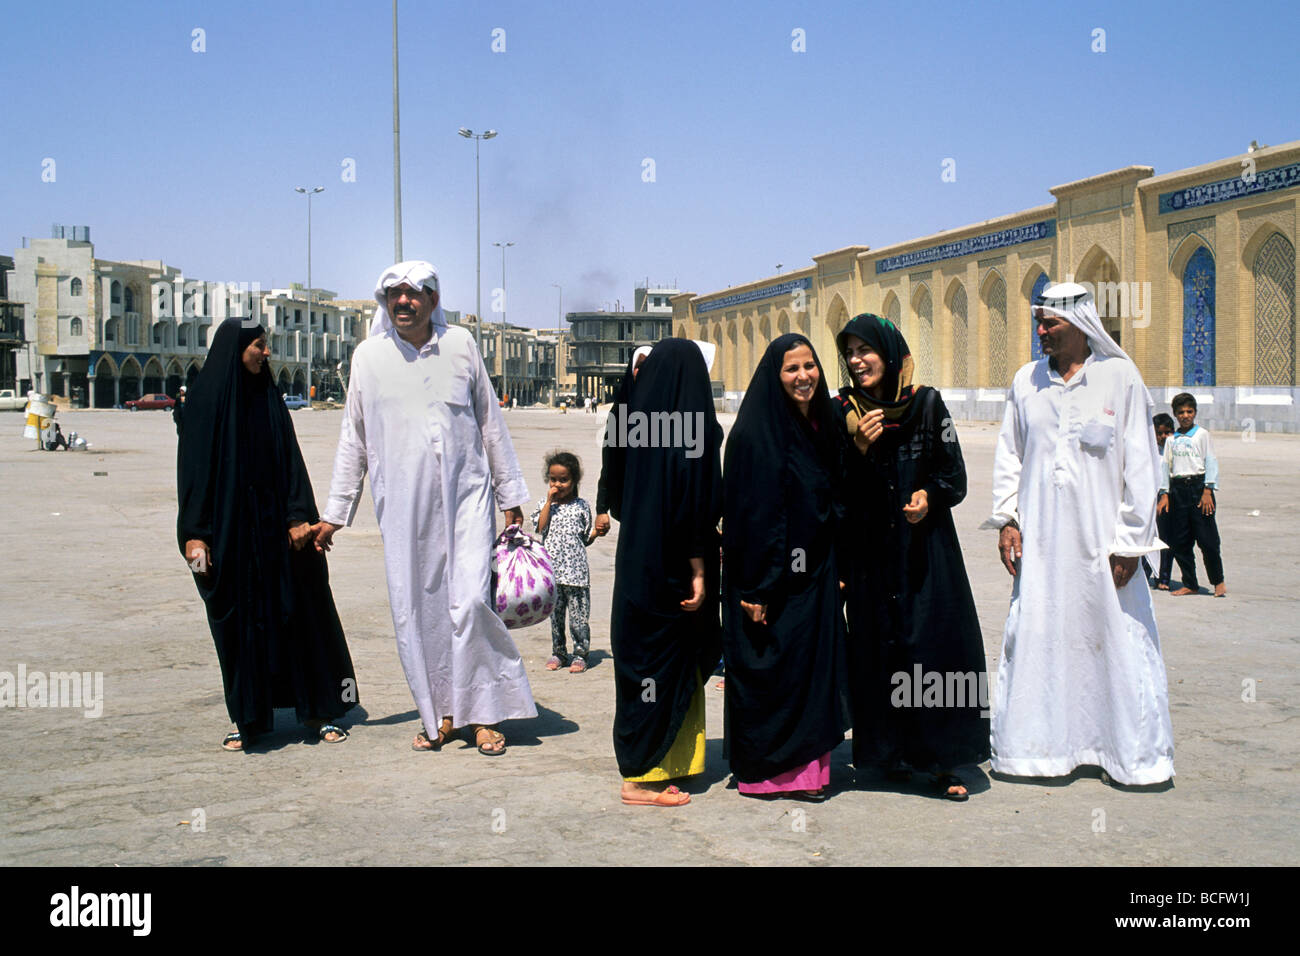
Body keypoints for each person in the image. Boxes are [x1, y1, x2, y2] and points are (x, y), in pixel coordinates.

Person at [315, 261, 535, 757]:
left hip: (467, 500)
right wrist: (335, 511)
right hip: (402, 507)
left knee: (473, 602)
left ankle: (484, 714)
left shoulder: (461, 346)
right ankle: (440, 715)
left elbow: (489, 422)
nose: (403, 302)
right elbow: (354, 438)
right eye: (394, 294)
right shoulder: (368, 358)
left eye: (414, 294)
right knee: (418, 609)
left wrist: (510, 495)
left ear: (434, 300)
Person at [989, 282, 1173, 786]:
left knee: (1112, 638)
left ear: (1081, 324)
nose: (1041, 331)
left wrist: (1131, 542)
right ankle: (1037, 751)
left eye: (1051, 323)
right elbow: (1011, 455)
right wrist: (1009, 519)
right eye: (1039, 322)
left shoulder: (1119, 378)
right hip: (1043, 542)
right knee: (1039, 634)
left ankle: (1128, 755)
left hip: (1103, 545)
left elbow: (1142, 463)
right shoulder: (1027, 382)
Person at [177, 318, 358, 751]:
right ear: (236, 349)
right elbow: (192, 477)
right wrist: (193, 536)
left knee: (300, 615)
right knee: (239, 626)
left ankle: (318, 710)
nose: (267, 352)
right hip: (229, 536)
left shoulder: (269, 398)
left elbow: (291, 463)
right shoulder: (204, 404)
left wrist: (300, 516)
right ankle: (248, 719)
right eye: (260, 345)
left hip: (279, 533)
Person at [834, 313, 988, 800]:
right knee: (878, 647)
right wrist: (857, 447)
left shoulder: (925, 404)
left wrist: (928, 497)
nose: (857, 361)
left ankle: (942, 762)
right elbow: (831, 489)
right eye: (851, 352)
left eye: (866, 350)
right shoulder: (844, 410)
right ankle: (889, 755)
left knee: (931, 649)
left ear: (889, 352)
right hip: (870, 557)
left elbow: (954, 475)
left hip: (925, 556)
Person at [722, 334, 848, 802]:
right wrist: (757, 587)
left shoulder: (823, 423)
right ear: (775, 377)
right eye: (791, 369)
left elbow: (835, 492)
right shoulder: (756, 433)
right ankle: (766, 773)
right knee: (772, 673)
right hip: (766, 577)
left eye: (809, 366)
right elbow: (750, 516)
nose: (803, 377)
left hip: (813, 575)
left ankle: (808, 774)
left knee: (808, 675)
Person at [606, 338, 723, 807]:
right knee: (670, 657)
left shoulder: (631, 424)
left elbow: (613, 497)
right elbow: (696, 505)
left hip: (637, 563)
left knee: (644, 662)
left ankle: (664, 762)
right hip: (677, 565)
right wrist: (698, 567)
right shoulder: (693, 430)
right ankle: (639, 778)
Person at [531, 451, 597, 674]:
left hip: (577, 574)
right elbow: (539, 528)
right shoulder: (545, 505)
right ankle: (559, 652)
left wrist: (597, 532)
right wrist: (549, 501)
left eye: (563, 479)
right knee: (556, 618)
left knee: (579, 619)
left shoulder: (581, 506)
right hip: (552, 574)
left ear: (574, 480)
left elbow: (584, 539)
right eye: (553, 479)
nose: (557, 484)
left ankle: (580, 654)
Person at [1159, 393, 1226, 597]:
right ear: (1176, 415)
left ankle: (1218, 582)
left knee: (1208, 540)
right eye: (1181, 412)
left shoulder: (1202, 435)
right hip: (1178, 491)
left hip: (1198, 489)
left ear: (1195, 413)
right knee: (1180, 541)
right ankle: (1190, 583)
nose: (1185, 415)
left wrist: (1208, 489)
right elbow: (1166, 466)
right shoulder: (1172, 440)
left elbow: (1210, 461)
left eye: (1189, 411)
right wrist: (1165, 493)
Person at [1143, 413, 1176, 589]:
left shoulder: (1175, 450)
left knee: (1166, 539)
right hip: (1149, 499)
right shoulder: (1147, 451)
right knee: (1147, 537)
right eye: (1160, 433)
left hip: (1168, 499)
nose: (1164, 437)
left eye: (1168, 432)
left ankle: (1163, 578)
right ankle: (1145, 573)